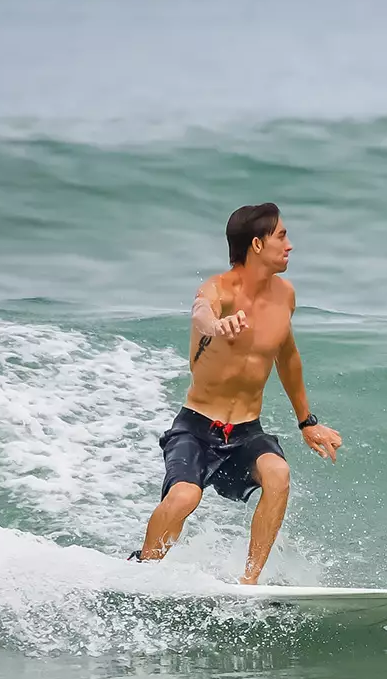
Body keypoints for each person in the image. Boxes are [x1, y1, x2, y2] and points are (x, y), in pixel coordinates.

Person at [132, 203, 343, 583]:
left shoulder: (285, 296)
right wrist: (216, 325)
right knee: (183, 498)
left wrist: (306, 422)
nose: (290, 245)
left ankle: (249, 583)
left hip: (245, 430)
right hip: (196, 427)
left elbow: (288, 356)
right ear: (257, 244)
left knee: (278, 474)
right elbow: (201, 312)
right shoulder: (218, 289)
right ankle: (143, 572)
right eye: (281, 236)